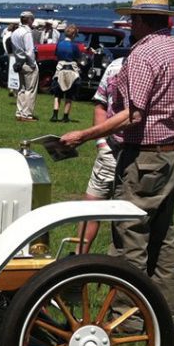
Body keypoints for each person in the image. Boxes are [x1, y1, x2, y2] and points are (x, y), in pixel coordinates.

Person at [60, 0, 174, 328]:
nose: (129, 23)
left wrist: (84, 135)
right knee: (164, 237)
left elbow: (133, 115)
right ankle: (165, 311)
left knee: (129, 236)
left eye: (132, 18)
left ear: (140, 21)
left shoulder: (140, 55)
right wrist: (173, 136)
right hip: (172, 153)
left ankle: (128, 316)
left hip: (144, 157)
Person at [75, 55, 124, 254]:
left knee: (121, 215)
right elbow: (101, 104)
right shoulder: (116, 66)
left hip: (125, 150)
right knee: (92, 207)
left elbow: (101, 105)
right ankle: (78, 261)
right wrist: (101, 143)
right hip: (111, 150)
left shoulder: (116, 65)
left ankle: (117, 270)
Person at [49, 23, 82, 122]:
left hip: (60, 69)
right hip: (71, 70)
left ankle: (55, 114)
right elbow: (78, 58)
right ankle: (65, 116)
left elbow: (57, 55)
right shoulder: (75, 46)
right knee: (69, 94)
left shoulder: (59, 44)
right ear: (73, 35)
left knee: (57, 94)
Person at [11, 10, 39, 121]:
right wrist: (33, 64)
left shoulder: (16, 32)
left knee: (21, 89)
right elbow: (29, 51)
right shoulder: (27, 33)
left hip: (19, 62)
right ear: (29, 20)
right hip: (28, 63)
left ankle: (19, 112)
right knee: (30, 90)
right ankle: (27, 114)